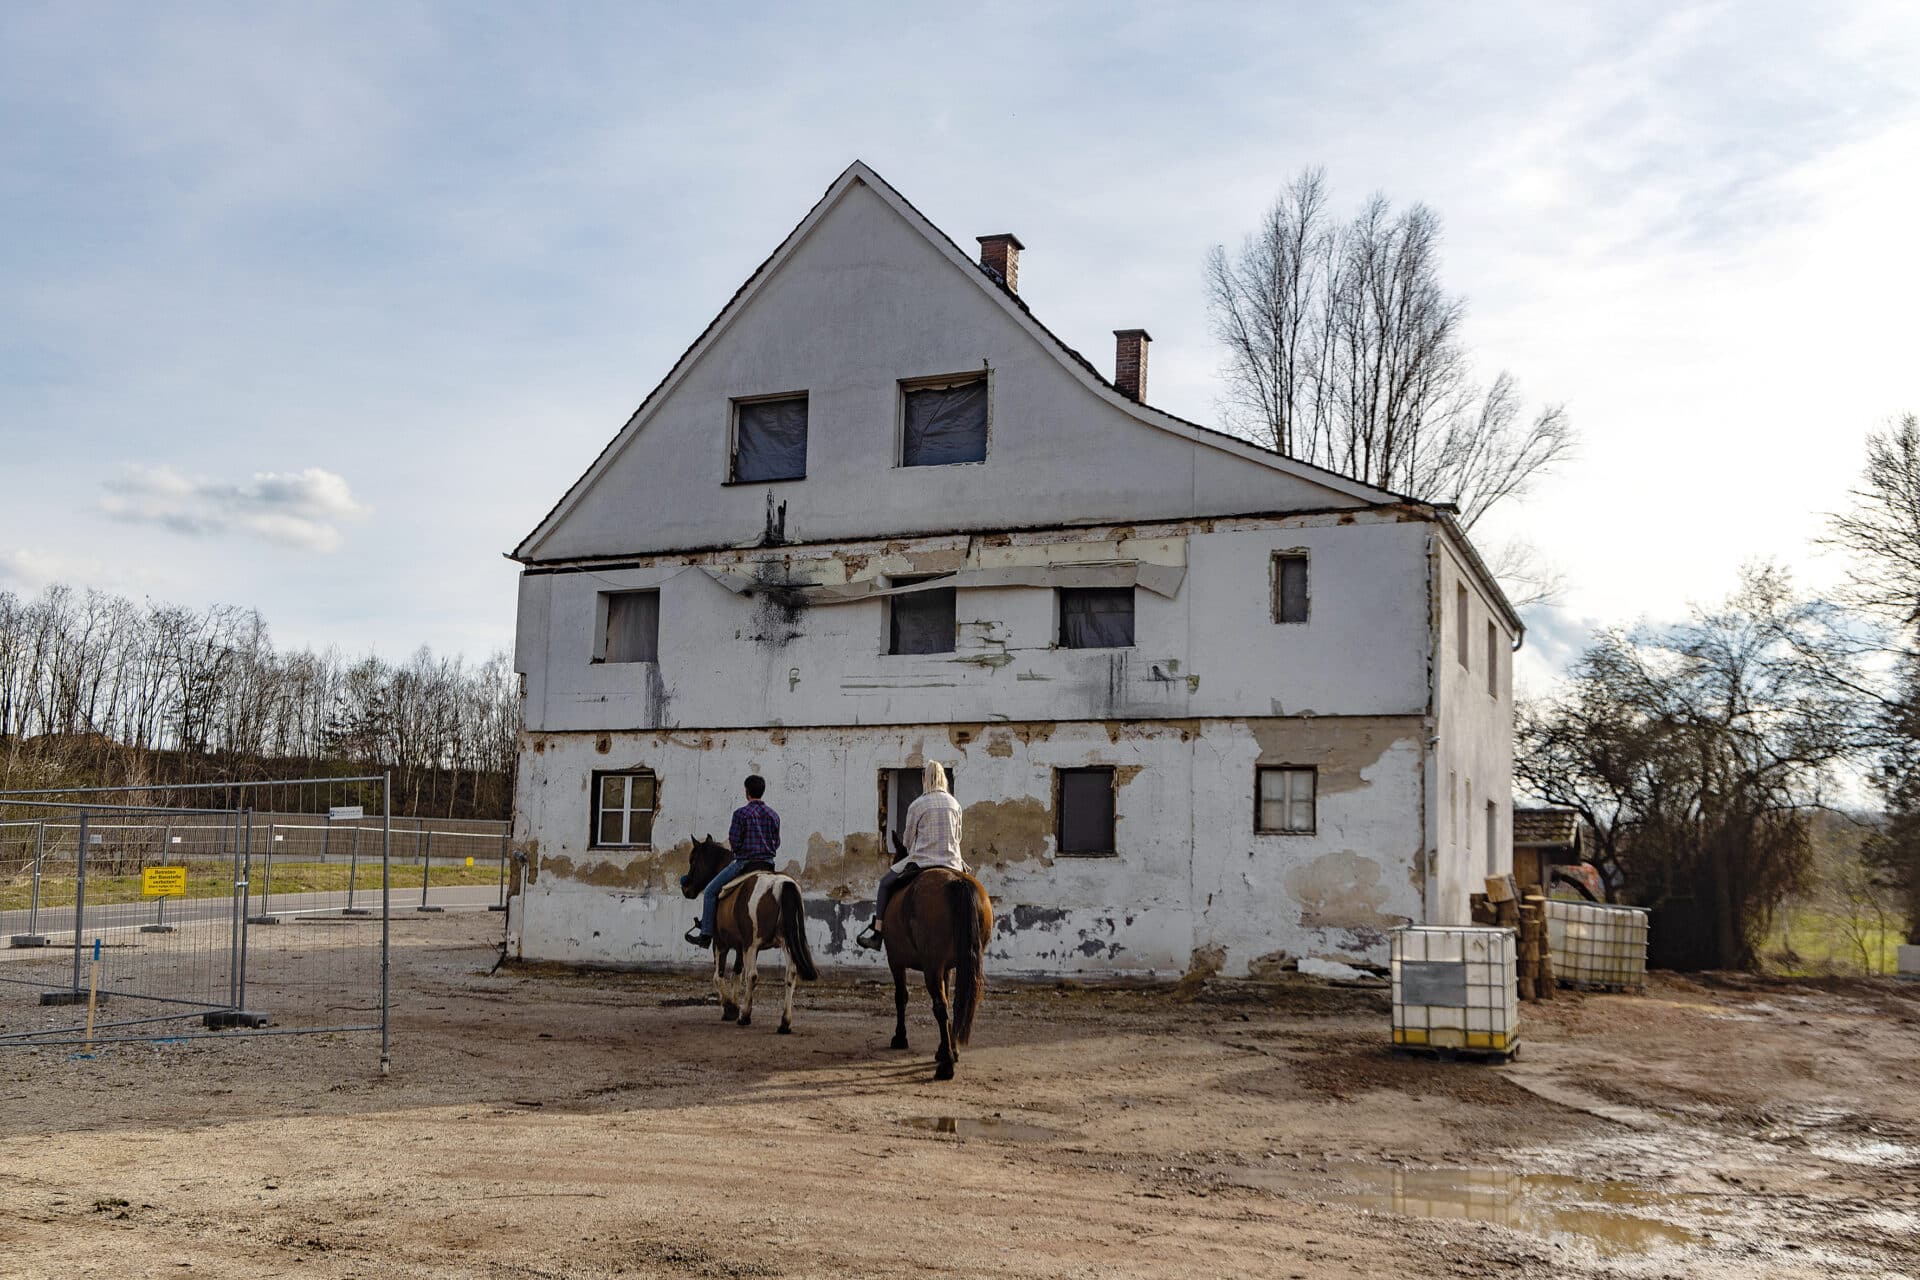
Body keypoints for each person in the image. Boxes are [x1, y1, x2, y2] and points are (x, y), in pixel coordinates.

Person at [857, 760, 963, 950]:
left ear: (925, 778)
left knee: (885, 884)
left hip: (923, 861)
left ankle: (878, 933)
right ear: (943, 779)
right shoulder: (954, 804)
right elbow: (958, 837)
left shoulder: (918, 804)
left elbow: (906, 841)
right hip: (952, 862)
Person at [686, 774, 781, 947]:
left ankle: (706, 934)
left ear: (747, 792)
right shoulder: (773, 815)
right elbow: (777, 842)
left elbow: (734, 841)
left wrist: (740, 850)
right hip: (768, 865)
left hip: (745, 864)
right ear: (762, 792)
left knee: (710, 891)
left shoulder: (741, 814)